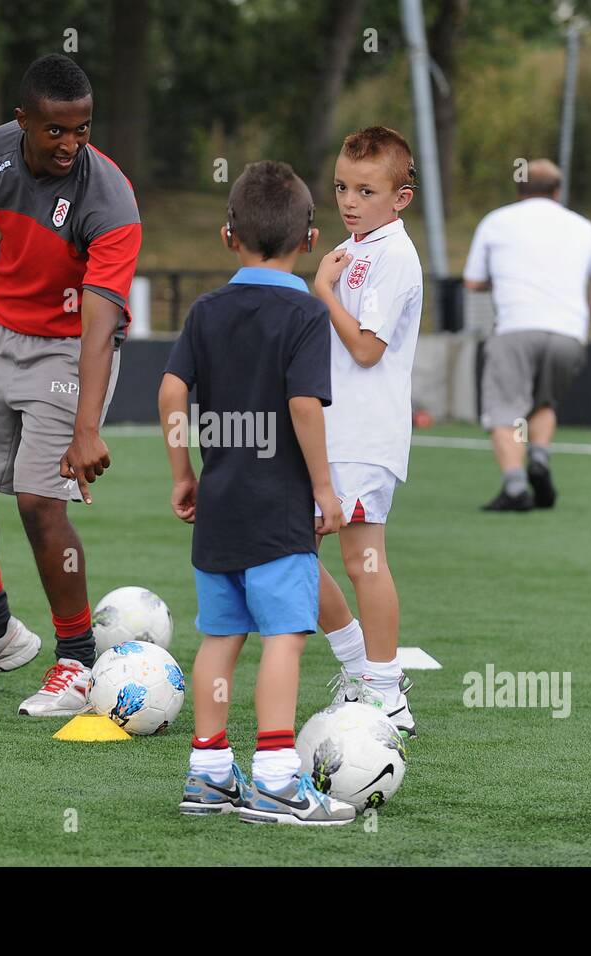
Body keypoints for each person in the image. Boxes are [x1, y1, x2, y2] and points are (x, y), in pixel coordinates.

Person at [0, 53, 141, 715]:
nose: (71, 144)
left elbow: (102, 325)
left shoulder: (111, 201)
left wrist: (87, 428)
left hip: (70, 350)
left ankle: (76, 662)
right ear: (23, 122)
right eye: (56, 132)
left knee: (42, 503)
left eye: (83, 130)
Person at [159, 161, 355, 825]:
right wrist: (325, 487)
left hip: (219, 508)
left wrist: (183, 472)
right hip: (278, 512)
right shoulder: (304, 312)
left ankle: (209, 772)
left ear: (227, 236)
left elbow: (170, 391)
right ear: (310, 239)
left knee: (221, 636)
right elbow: (304, 402)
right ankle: (276, 777)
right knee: (286, 638)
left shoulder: (206, 310)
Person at [309, 127, 424, 738]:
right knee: (292, 554)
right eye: (341, 188)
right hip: (326, 430)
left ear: (400, 198)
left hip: (362, 434)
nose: (349, 201)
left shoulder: (394, 256)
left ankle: (384, 691)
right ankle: (361, 674)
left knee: (362, 558)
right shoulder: (355, 246)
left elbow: (366, 349)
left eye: (366, 190)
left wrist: (322, 289)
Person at [463, 158, 591, 511]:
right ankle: (541, 457)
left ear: (520, 189)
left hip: (516, 328)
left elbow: (472, 281)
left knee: (504, 410)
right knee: (543, 402)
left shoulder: (496, 221)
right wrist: (583, 313)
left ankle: (515, 486)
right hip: (567, 334)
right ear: (557, 191)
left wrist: (502, 280)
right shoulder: (581, 225)